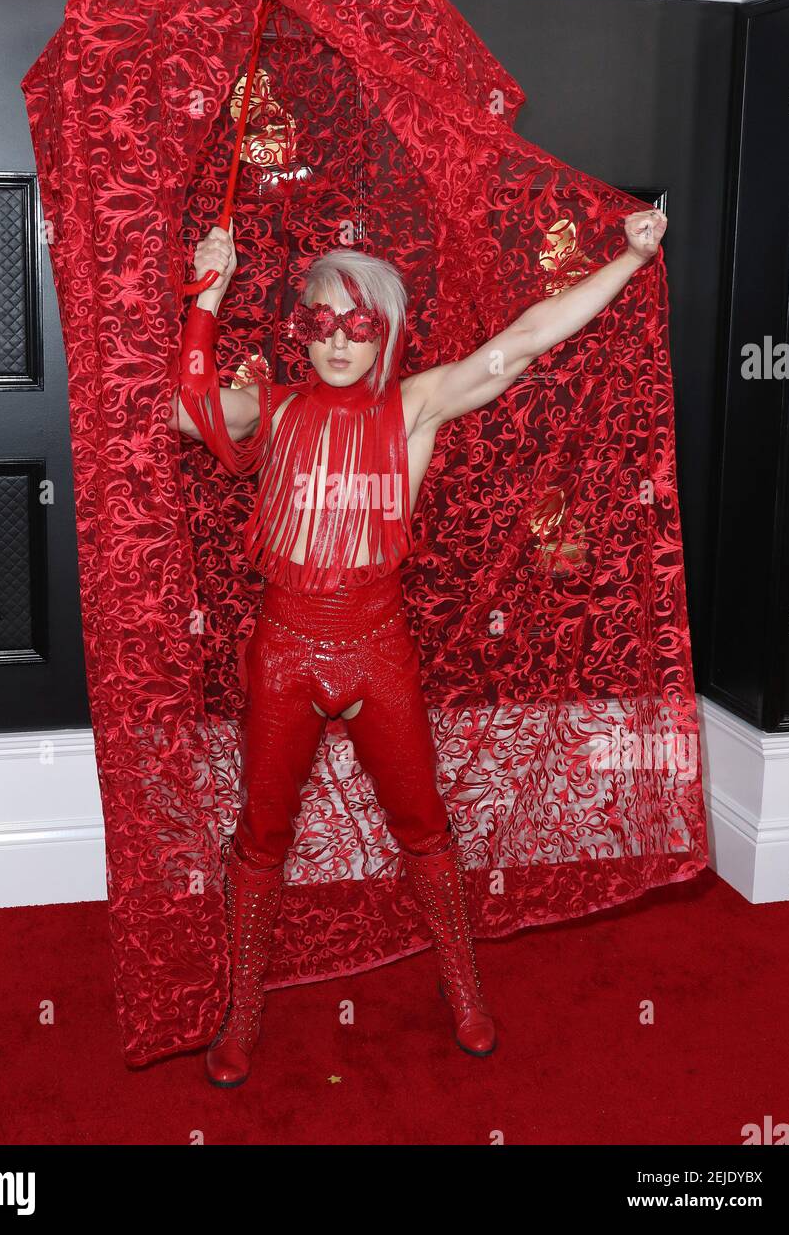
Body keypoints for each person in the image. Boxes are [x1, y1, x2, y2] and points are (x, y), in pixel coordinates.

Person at [171, 208, 667, 1087]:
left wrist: (627, 262)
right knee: (261, 837)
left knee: (425, 829)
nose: (336, 341)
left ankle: (463, 987)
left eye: (357, 325)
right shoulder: (277, 409)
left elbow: (526, 337)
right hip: (282, 649)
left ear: (386, 333)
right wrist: (206, 298)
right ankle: (243, 1009)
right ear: (303, 329)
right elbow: (187, 409)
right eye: (319, 322)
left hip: (377, 649)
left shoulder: (415, 405)